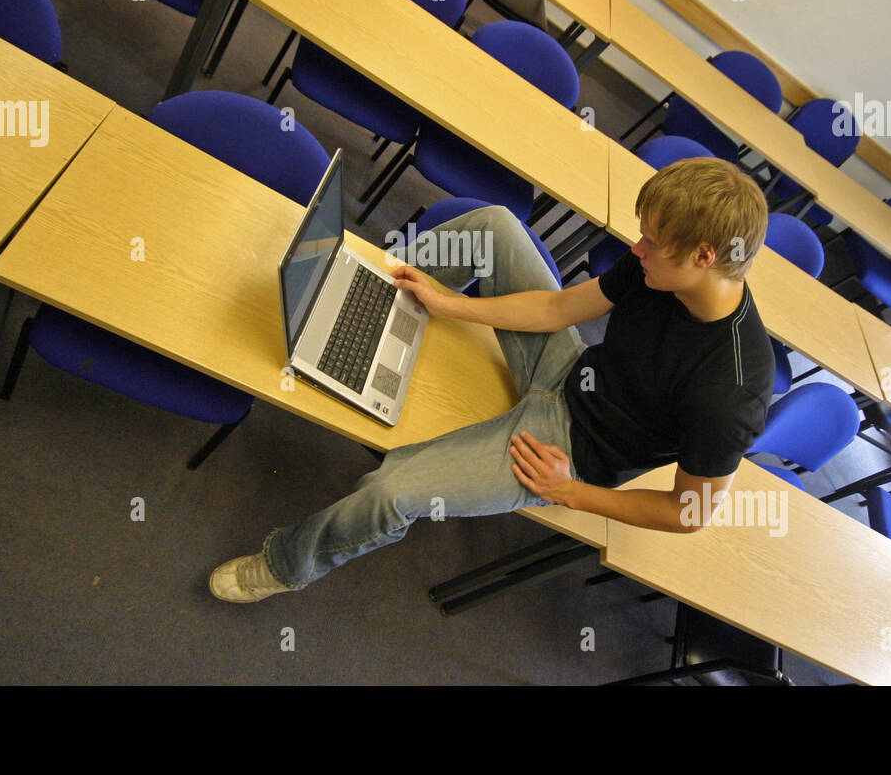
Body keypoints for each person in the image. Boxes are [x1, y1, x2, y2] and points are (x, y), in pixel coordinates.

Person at [209, 156, 774, 603]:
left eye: (650, 241)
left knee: (389, 492)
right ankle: (383, 290)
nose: (636, 247)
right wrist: (449, 304)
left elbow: (690, 513)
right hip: (568, 372)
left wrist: (566, 491)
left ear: (703, 256)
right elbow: (556, 310)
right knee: (493, 226)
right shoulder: (657, 270)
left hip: (568, 452)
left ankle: (286, 565)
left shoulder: (730, 394)